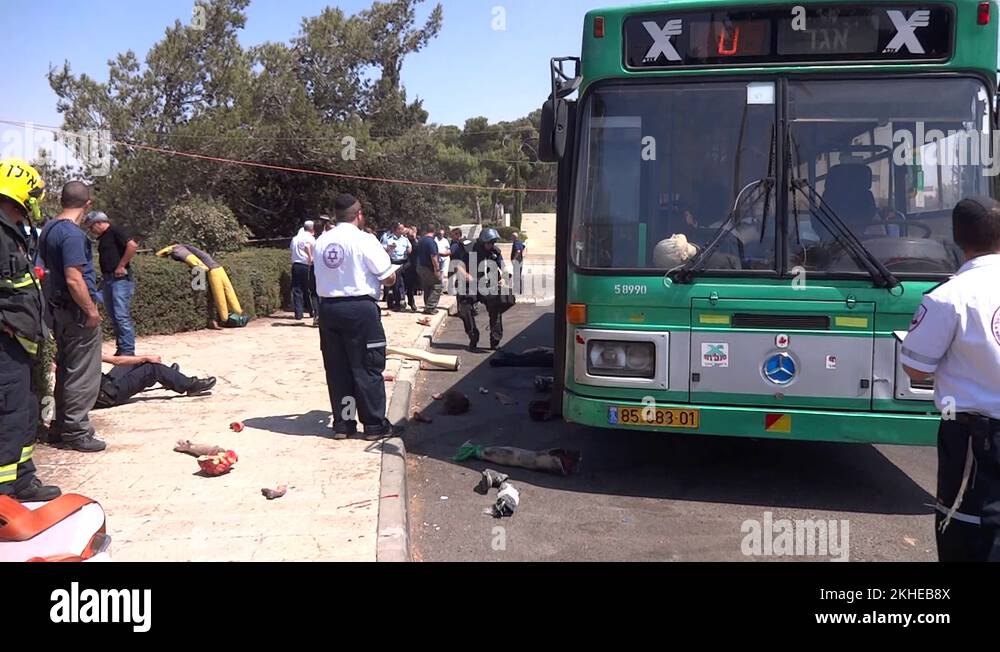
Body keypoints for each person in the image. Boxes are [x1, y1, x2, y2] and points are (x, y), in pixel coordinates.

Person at [901, 196, 1000, 562]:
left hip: (975, 441)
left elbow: (916, 368)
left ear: (956, 238)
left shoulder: (948, 297)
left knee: (967, 531)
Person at [0, 158, 61, 501]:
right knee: (8, 414)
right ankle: (4, 493)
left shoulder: (12, 231)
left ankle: (22, 480)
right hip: (5, 342)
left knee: (23, 411)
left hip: (20, 342)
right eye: (35, 196)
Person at [314, 194, 398, 441]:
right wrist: (392, 278)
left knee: (338, 369)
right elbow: (386, 276)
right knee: (367, 366)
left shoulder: (322, 241)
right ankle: (374, 425)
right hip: (360, 310)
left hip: (328, 309)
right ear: (359, 215)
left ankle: (344, 424)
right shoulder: (364, 240)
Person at [36, 181, 106, 452]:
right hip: (76, 312)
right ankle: (77, 431)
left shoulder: (49, 229)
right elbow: (74, 278)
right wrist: (91, 312)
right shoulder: (73, 235)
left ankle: (59, 426)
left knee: (66, 369)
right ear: (88, 204)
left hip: (58, 309)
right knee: (83, 373)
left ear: (61, 200)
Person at [84, 211, 138, 356]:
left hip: (120, 280)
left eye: (91, 227)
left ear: (99, 223)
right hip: (108, 279)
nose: (91, 230)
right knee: (114, 316)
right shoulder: (103, 237)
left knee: (121, 315)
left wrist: (121, 265)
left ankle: (128, 350)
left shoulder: (115, 231)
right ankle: (121, 347)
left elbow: (132, 246)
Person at [94, 353, 216, 409]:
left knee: (133, 360)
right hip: (107, 395)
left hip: (101, 387)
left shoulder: (83, 345)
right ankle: (190, 385)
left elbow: (115, 360)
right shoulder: (84, 347)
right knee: (152, 368)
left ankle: (168, 376)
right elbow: (115, 361)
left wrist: (143, 358)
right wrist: (145, 357)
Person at [381, 222, 411, 311]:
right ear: (396, 230)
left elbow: (409, 248)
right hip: (393, 262)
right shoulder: (388, 238)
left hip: (403, 262)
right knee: (397, 283)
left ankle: (401, 300)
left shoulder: (405, 239)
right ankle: (397, 301)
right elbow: (381, 248)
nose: (403, 230)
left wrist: (409, 249)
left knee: (402, 282)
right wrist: (388, 248)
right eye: (401, 229)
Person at [290, 220, 315, 321]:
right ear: (312, 228)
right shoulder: (311, 238)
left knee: (297, 289)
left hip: (296, 265)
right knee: (309, 289)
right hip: (307, 265)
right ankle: (312, 311)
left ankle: (298, 314)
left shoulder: (295, 238)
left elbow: (291, 249)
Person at [414, 224, 442, 315]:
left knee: (427, 287)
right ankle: (430, 307)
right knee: (437, 286)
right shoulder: (431, 242)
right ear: (434, 231)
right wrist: (437, 269)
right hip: (428, 267)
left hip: (420, 266)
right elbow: (434, 256)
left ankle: (427, 306)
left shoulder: (421, 241)